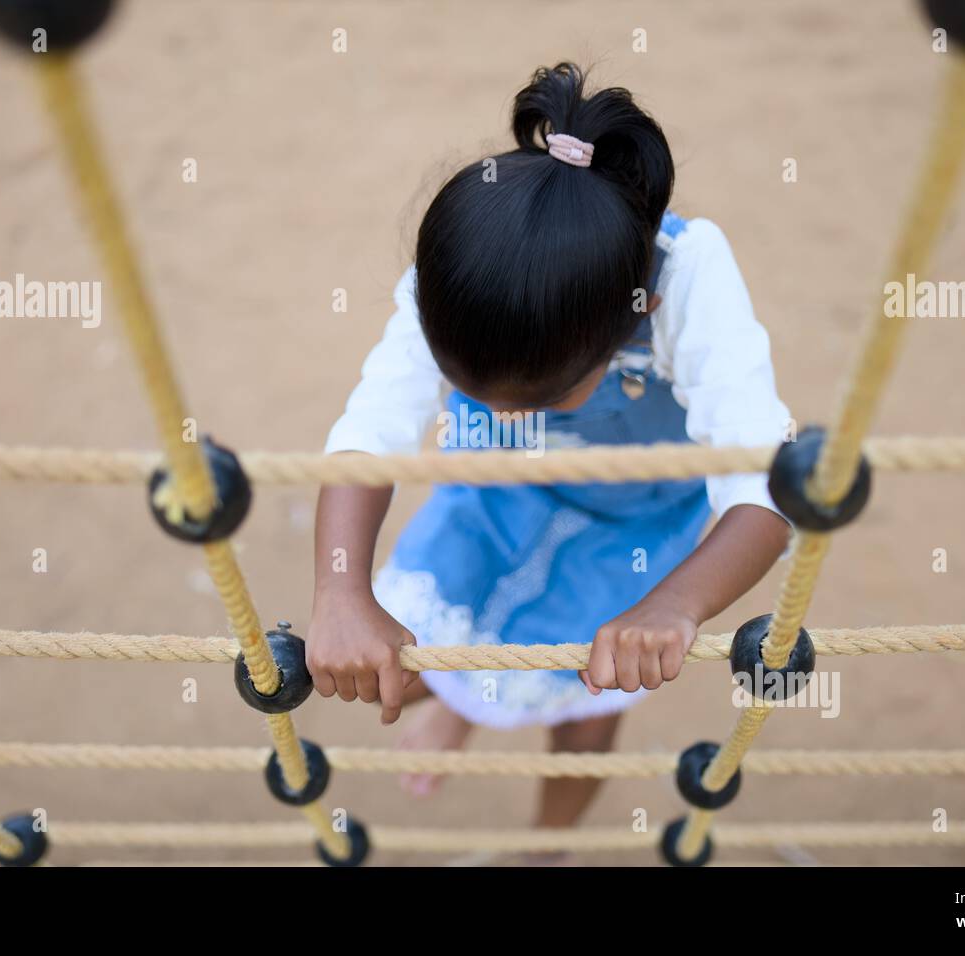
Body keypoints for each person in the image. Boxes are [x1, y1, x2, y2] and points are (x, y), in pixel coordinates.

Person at [309, 63, 792, 835]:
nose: (498, 413)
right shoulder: (462, 267)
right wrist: (340, 592)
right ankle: (463, 708)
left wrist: (672, 605)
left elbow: (768, 484)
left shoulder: (689, 277)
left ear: (634, 322)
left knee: (588, 698)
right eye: (468, 391)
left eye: (534, 397)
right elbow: (370, 433)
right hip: (489, 496)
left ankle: (548, 846)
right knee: (412, 658)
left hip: (632, 532)